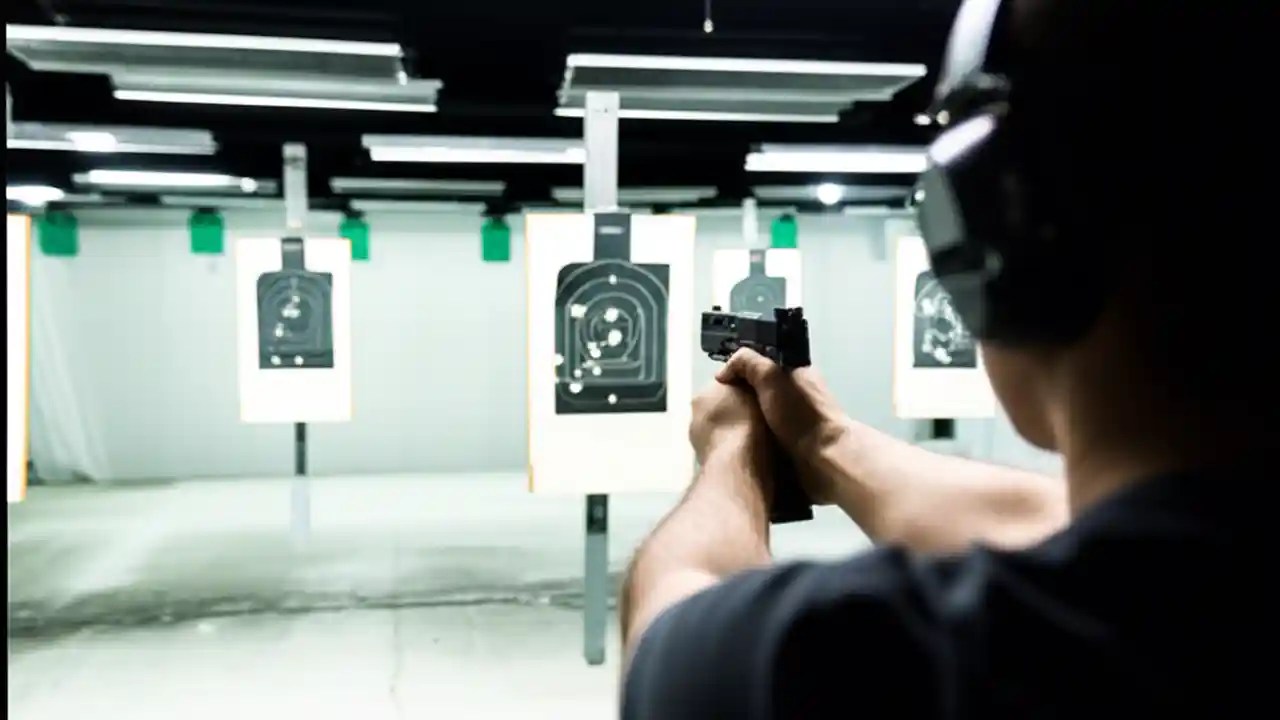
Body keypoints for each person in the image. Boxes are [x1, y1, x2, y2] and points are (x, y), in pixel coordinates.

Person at [619, 0, 1274, 717]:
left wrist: (729, 449)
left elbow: (672, 606)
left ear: (1000, 240)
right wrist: (823, 442)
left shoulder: (901, 664)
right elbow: (1055, 518)